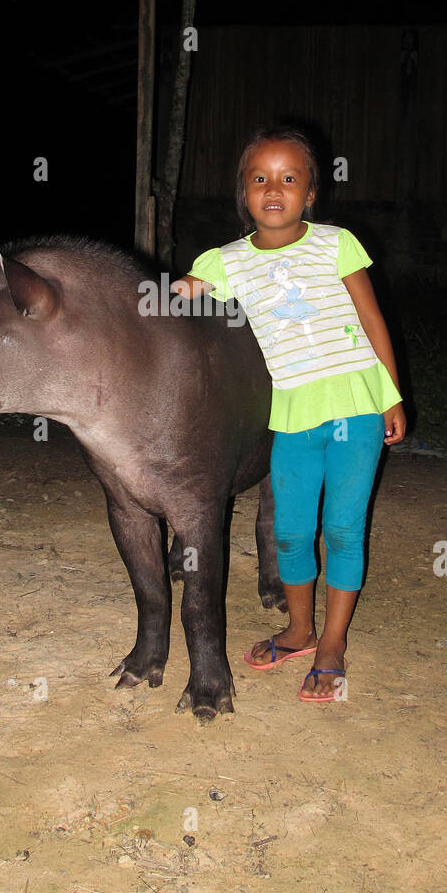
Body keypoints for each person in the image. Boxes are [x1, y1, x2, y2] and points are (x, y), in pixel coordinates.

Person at [171, 127, 406, 702]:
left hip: (358, 405)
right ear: (243, 192)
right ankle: (299, 630)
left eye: (289, 178)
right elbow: (182, 294)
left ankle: (332, 643)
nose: (273, 189)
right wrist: (157, 294)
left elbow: (373, 318)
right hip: (294, 413)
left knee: (344, 529)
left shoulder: (336, 244)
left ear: (310, 193)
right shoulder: (225, 261)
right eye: (260, 178)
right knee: (292, 531)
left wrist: (393, 393)